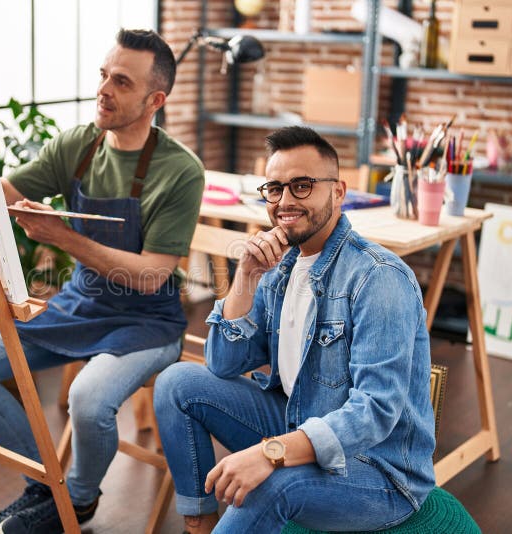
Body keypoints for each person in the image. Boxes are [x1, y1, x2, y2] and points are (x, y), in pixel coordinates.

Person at [0, 29, 204, 534]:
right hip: (81, 303)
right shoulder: (79, 145)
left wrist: (62, 237)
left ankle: (81, 501)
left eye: (121, 82)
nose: (103, 90)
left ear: (155, 100)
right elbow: (7, 194)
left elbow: (151, 275)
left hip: (147, 321)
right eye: (103, 75)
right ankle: (47, 489)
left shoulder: (180, 171)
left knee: (88, 401)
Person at [154, 126, 436, 533]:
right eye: (275, 188)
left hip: (379, 471)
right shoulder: (278, 269)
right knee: (176, 383)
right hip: (299, 424)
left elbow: (375, 411)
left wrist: (270, 453)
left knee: (271, 483)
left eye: (302, 186)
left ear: (338, 192)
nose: (285, 201)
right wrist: (245, 276)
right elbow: (222, 363)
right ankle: (199, 523)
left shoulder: (378, 277)